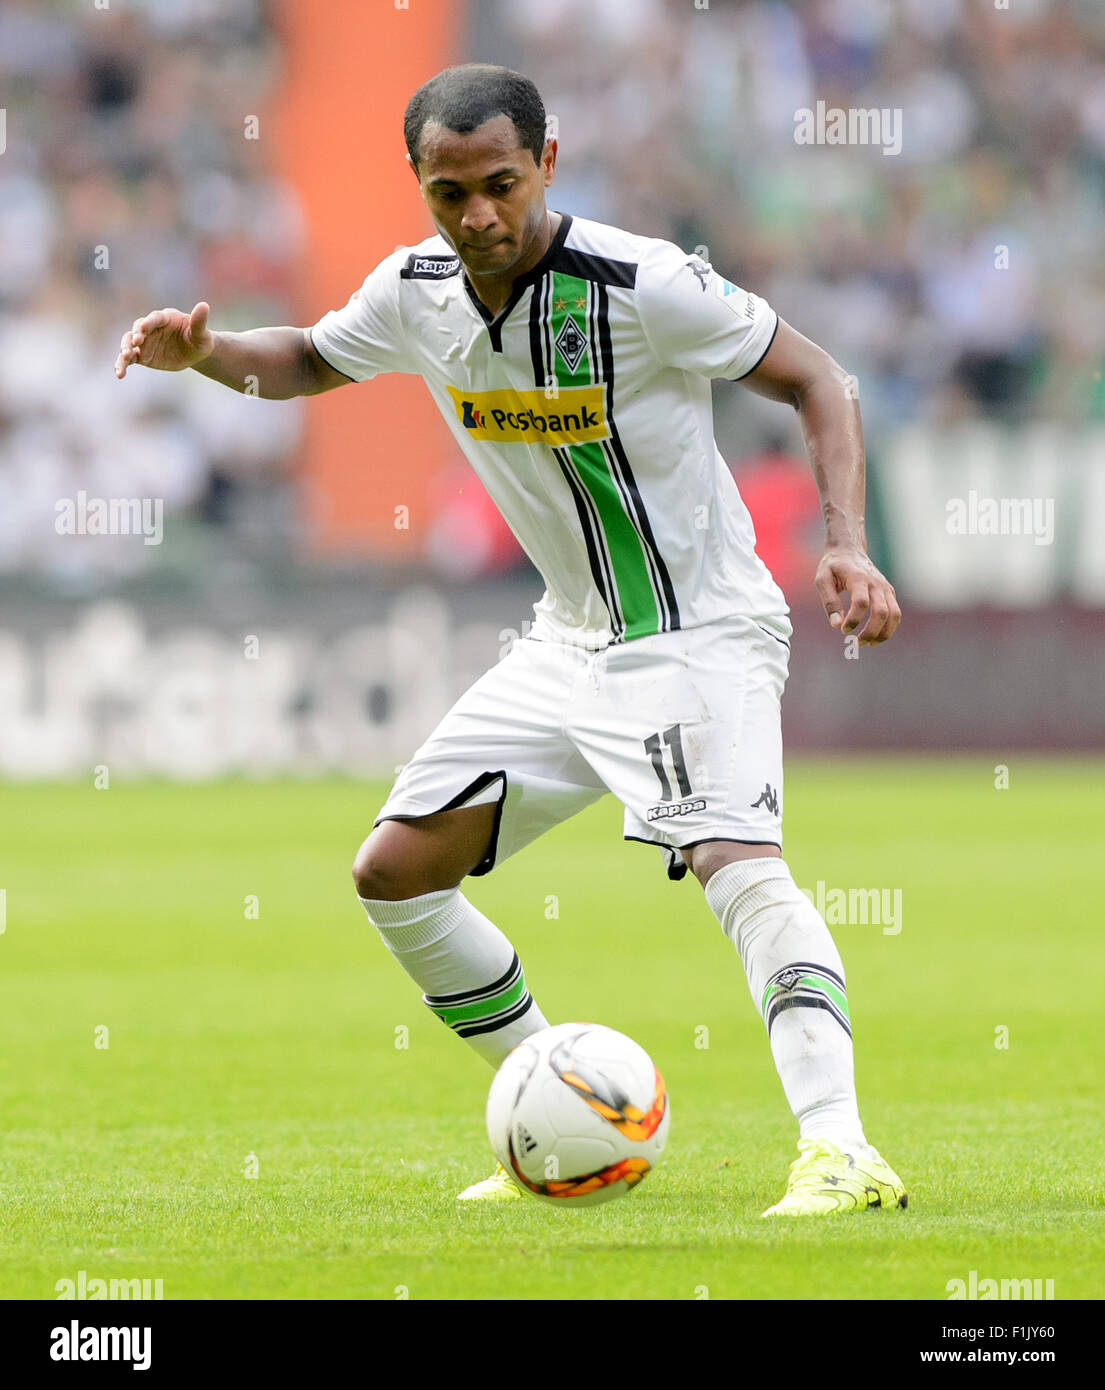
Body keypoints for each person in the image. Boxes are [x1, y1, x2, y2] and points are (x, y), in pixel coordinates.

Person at [115, 63, 905, 1216]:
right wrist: (209, 352)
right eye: (449, 193)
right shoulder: (415, 289)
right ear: (419, 185)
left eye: (498, 184)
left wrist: (847, 542)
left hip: (696, 632)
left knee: (735, 865)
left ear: (546, 162)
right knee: (395, 872)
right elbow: (311, 358)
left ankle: (841, 1148)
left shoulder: (642, 283)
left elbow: (817, 378)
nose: (478, 215)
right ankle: (554, 1102)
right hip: (567, 639)